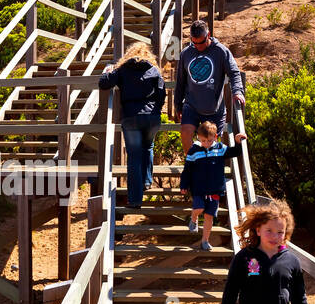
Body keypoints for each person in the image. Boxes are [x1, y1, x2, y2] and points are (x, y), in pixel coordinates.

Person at [99, 42, 165, 209]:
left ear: (129, 54)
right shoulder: (154, 70)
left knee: (134, 157)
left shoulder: (122, 70)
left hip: (131, 118)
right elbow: (161, 93)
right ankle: (147, 181)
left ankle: (135, 200)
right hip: (151, 117)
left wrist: (107, 71)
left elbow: (104, 83)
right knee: (148, 147)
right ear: (148, 55)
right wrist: (156, 111)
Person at [173, 20, 246, 154]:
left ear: (209, 35)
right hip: (191, 105)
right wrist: (177, 105)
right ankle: (193, 164)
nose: (198, 46)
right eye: (194, 42)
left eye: (201, 42)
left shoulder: (221, 51)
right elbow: (180, 81)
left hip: (214, 108)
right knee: (185, 133)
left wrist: (238, 91)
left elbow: (234, 73)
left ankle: (208, 168)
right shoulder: (186, 53)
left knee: (211, 147)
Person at [180, 120, 245, 251]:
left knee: (209, 216)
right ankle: (194, 217)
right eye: (203, 141)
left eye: (209, 141)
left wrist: (238, 141)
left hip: (215, 189)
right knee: (198, 208)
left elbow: (235, 152)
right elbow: (187, 170)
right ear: (198, 138)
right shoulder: (194, 150)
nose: (206, 144)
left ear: (215, 137)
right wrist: (184, 184)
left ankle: (205, 240)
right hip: (198, 189)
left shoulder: (220, 148)